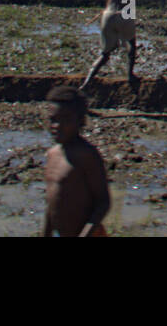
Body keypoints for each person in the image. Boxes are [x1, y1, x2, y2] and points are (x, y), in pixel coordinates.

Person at [80, 0, 167, 90]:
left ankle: (87, 82)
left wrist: (110, 7)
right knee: (131, 46)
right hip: (126, 12)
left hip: (108, 13)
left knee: (104, 54)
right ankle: (130, 75)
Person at [43, 86, 110, 237]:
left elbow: (103, 203)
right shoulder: (52, 154)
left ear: (80, 121)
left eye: (65, 120)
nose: (57, 126)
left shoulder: (87, 156)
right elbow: (52, 204)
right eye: (53, 120)